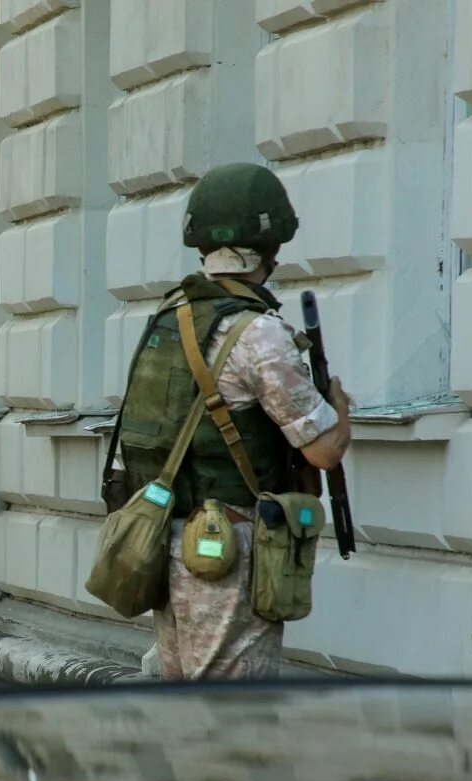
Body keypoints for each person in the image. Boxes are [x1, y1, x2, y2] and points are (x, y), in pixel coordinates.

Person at [117, 163, 353, 680]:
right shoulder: (259, 334)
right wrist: (340, 406)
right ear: (270, 249)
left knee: (191, 714)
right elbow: (323, 451)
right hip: (227, 549)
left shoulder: (172, 316)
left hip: (165, 541)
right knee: (234, 722)